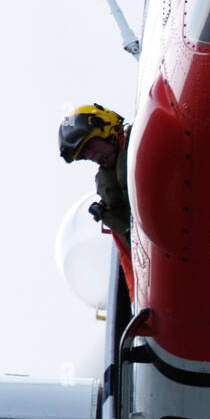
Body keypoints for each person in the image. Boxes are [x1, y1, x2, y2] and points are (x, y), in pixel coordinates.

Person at [58, 104, 134, 298]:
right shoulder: (112, 200)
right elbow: (130, 261)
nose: (90, 156)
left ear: (105, 129)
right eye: (84, 155)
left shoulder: (143, 143)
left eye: (89, 146)